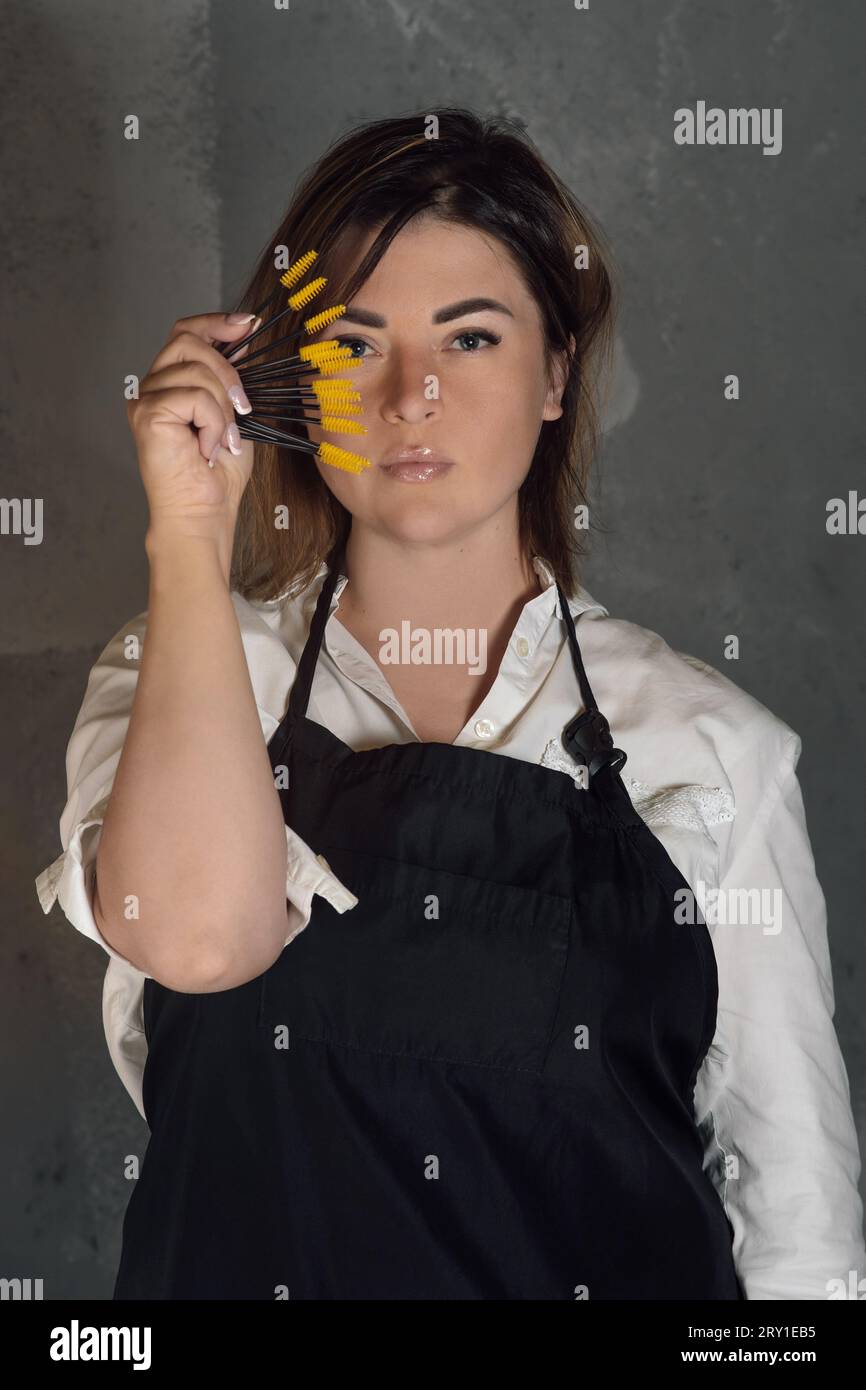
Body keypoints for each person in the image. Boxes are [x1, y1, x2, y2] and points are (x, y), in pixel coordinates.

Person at [36, 108, 865, 1300]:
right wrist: (185, 530)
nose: (412, 394)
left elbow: (799, 1234)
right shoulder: (178, 668)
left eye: (470, 339)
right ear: (286, 382)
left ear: (555, 372)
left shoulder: (708, 749)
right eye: (357, 343)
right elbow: (199, 940)